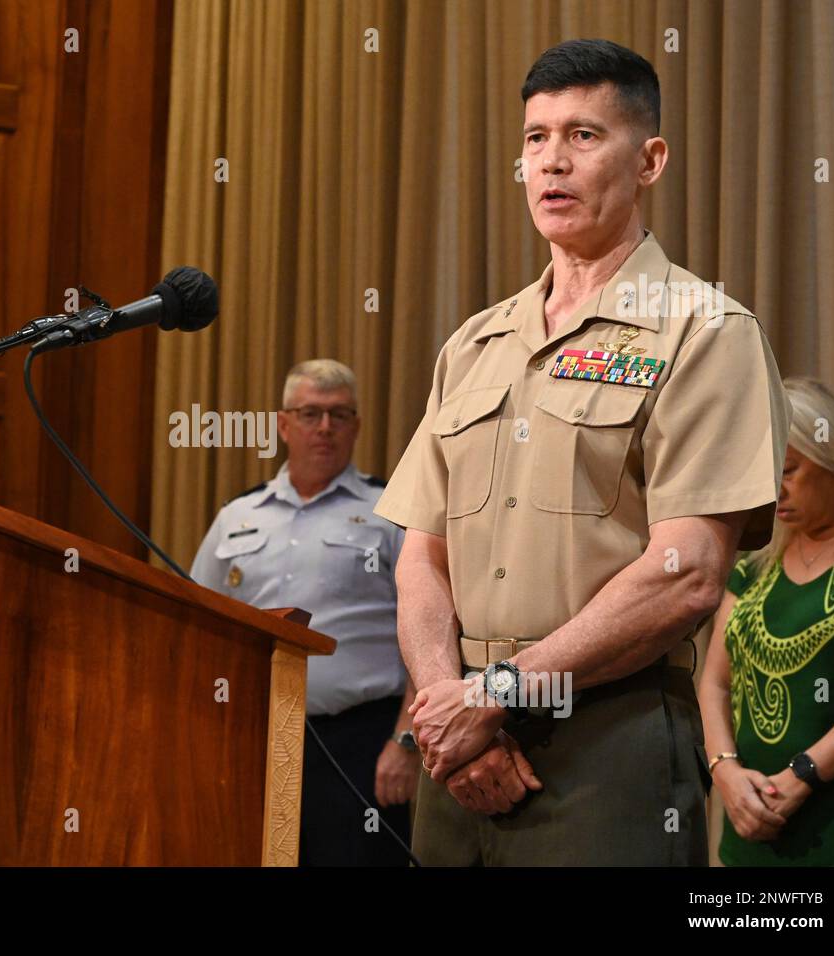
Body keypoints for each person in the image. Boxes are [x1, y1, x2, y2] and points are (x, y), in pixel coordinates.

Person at [374, 38, 790, 865]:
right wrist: (448, 716)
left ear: (650, 160)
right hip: (456, 752)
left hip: (607, 744)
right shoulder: (474, 343)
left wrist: (496, 697)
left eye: (584, 136)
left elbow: (689, 574)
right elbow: (422, 557)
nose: (551, 162)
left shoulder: (707, 332)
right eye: (536, 138)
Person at [191, 359, 416, 865]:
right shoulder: (238, 515)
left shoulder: (391, 513)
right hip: (253, 737)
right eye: (311, 413)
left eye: (340, 415)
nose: (325, 428)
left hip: (359, 744)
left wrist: (406, 742)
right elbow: (197, 623)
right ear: (283, 424)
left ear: (356, 426)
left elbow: (427, 635)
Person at [699, 377, 834, 866]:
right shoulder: (751, 568)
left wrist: (804, 775)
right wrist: (725, 772)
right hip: (749, 834)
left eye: (790, 470)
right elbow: (714, 683)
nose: (774, 488)